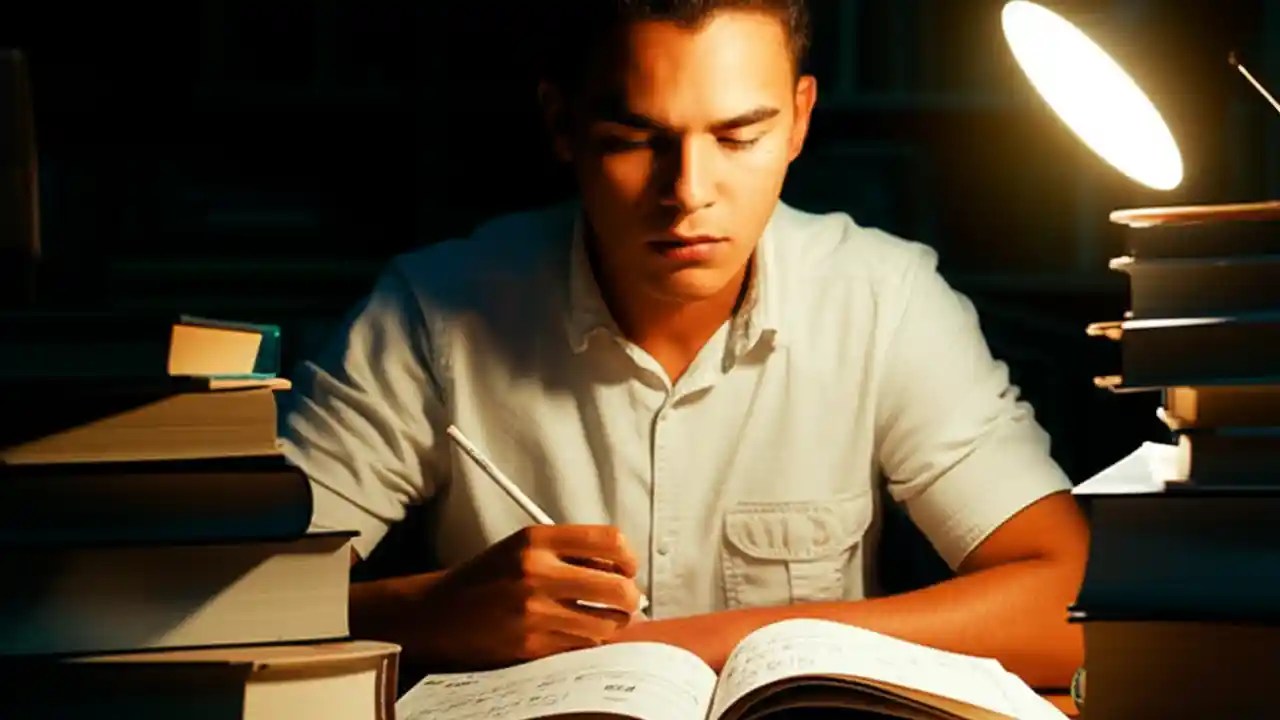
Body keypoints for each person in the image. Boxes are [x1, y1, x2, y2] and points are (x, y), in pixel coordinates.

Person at [279, 0, 1089, 688]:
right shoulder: (435, 309)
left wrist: (673, 647)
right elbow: (209, 605)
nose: (688, 194)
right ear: (563, 125)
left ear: (801, 119)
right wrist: (429, 613)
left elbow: (1072, 605)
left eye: (738, 137)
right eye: (636, 139)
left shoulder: (883, 298)